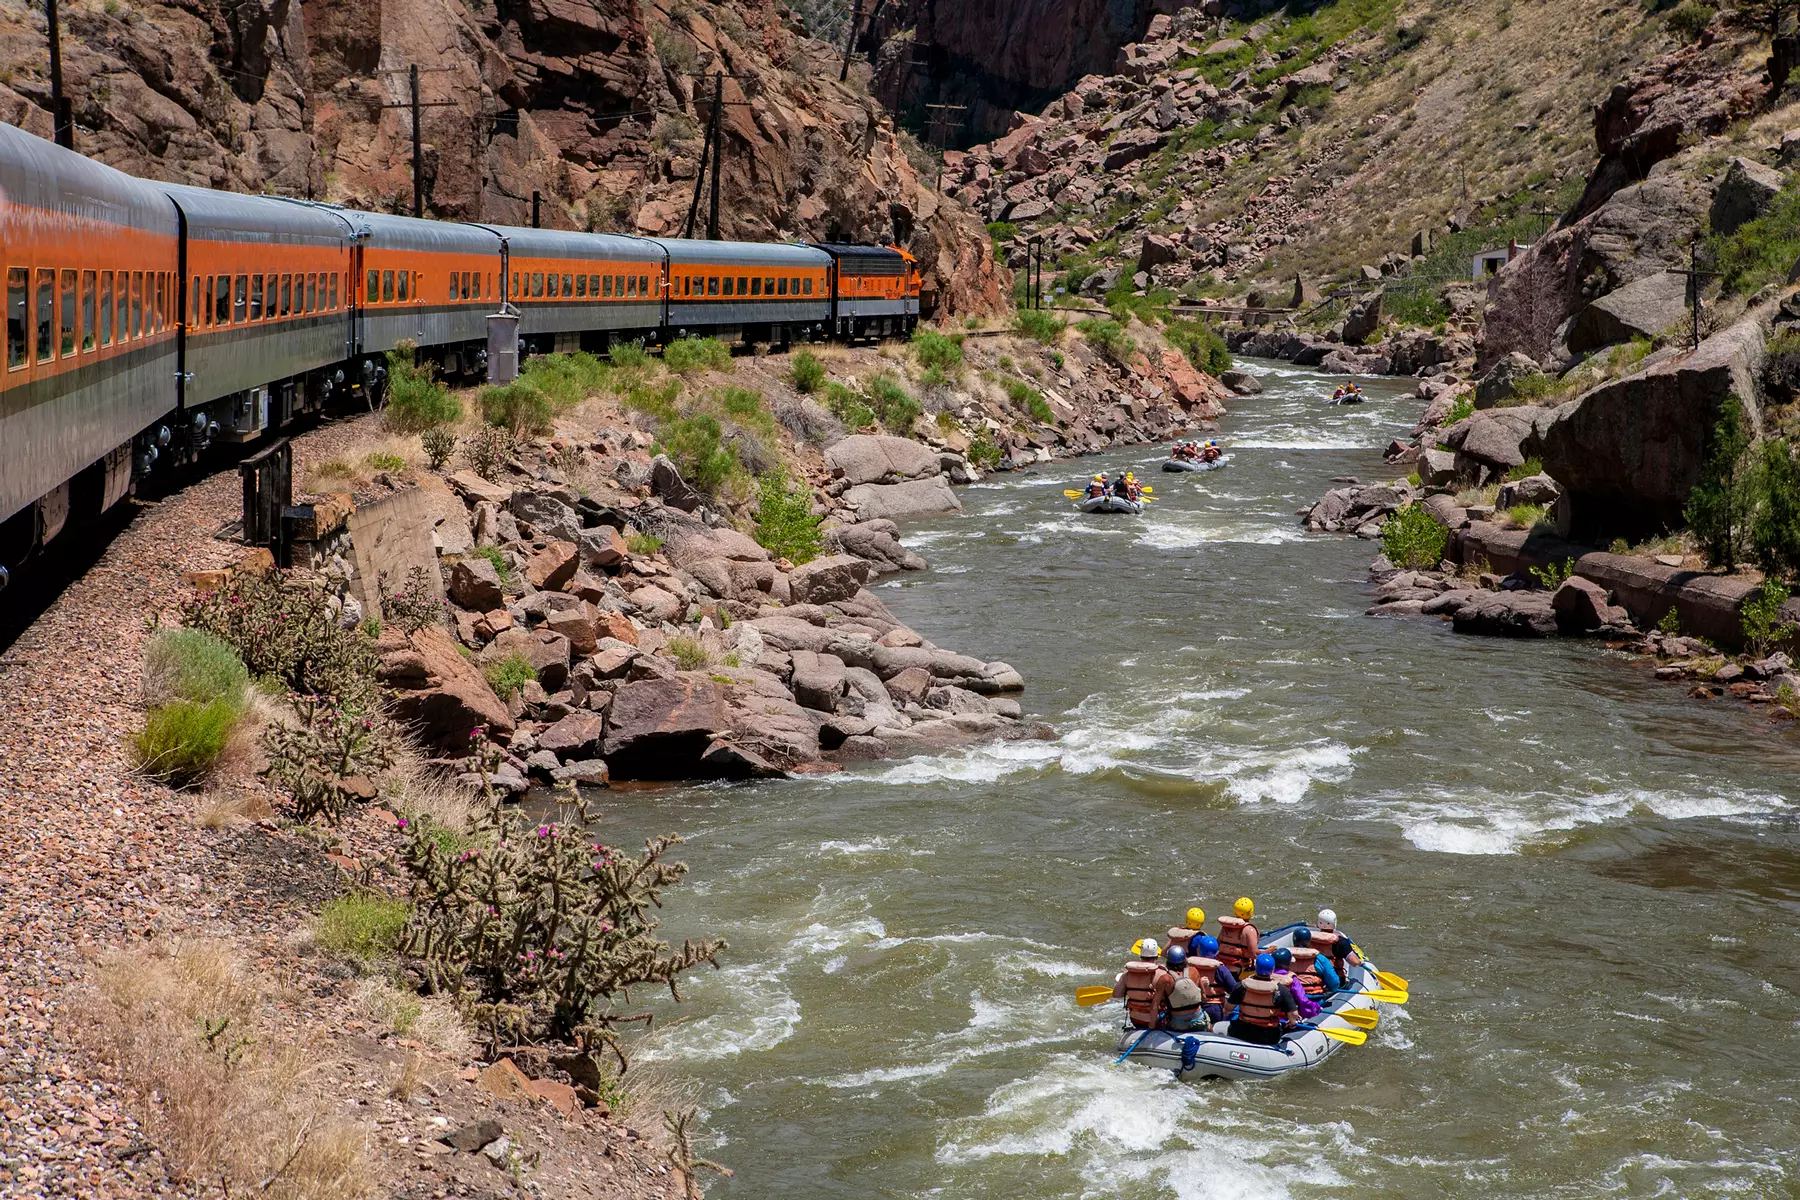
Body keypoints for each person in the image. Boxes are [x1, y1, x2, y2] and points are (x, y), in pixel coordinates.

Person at [1225, 952, 1298, 1046]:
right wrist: (1292, 1023)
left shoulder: (1241, 986)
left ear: (1256, 968)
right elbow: (1294, 1014)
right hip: (1268, 1036)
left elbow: (1228, 1009)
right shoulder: (1281, 990)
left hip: (1241, 1032)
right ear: (1272, 969)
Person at [1113, 937, 1172, 1029]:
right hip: (1157, 1021)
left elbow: (1116, 994)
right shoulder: (1162, 974)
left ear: (1140, 955)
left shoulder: (1127, 974)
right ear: (1157, 956)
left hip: (1135, 1020)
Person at [1185, 934, 1238, 1027]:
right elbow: (1234, 990)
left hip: (1194, 1008)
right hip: (1214, 1009)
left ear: (1199, 950)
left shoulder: (1189, 966)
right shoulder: (1220, 969)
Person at [1270, 947, 1322, 1020]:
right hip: (1286, 1019)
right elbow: (1303, 1000)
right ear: (1288, 963)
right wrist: (1315, 1007)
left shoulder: (1266, 977)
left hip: (1269, 1017)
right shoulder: (1293, 980)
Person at [1215, 896, 1260, 975]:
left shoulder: (1225, 928)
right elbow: (1254, 954)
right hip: (1240, 971)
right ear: (1251, 912)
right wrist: (1269, 951)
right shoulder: (1249, 929)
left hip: (1222, 968)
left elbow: (1217, 946)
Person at [1292, 928, 1341, 994]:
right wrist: (1331, 989)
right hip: (1315, 999)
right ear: (1309, 941)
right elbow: (1334, 983)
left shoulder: (1286, 958)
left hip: (1294, 999)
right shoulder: (1320, 959)